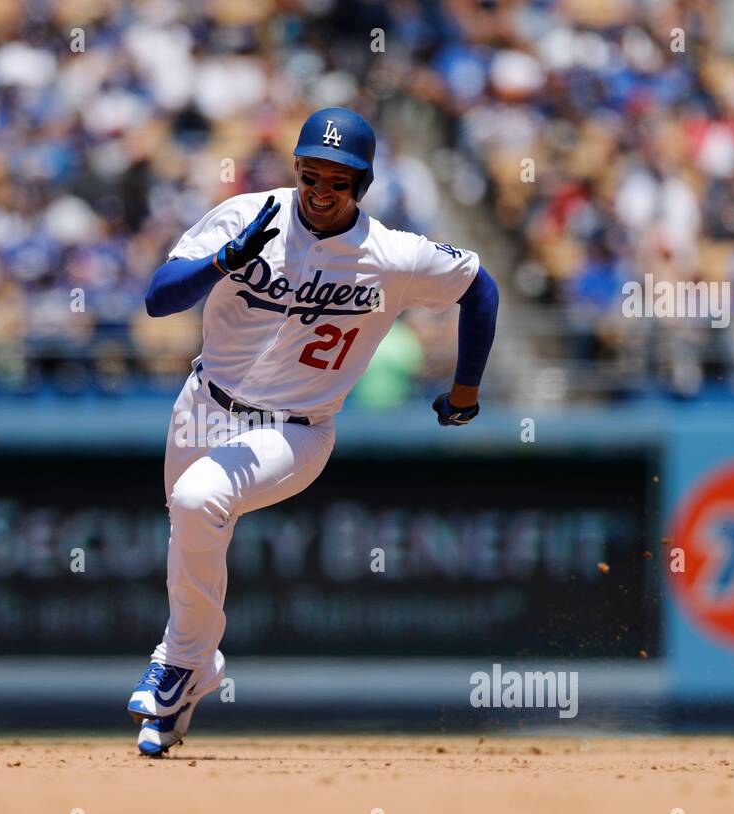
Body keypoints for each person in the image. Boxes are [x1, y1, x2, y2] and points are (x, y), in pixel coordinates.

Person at [126, 108, 500, 755]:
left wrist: (466, 390)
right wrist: (221, 261)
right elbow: (160, 297)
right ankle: (185, 688)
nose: (322, 191)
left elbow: (480, 287)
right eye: (311, 174)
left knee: (196, 502)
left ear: (364, 182)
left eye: (339, 180)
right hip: (200, 404)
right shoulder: (249, 216)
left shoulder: (391, 255)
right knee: (189, 539)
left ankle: (181, 659)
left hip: (294, 431)